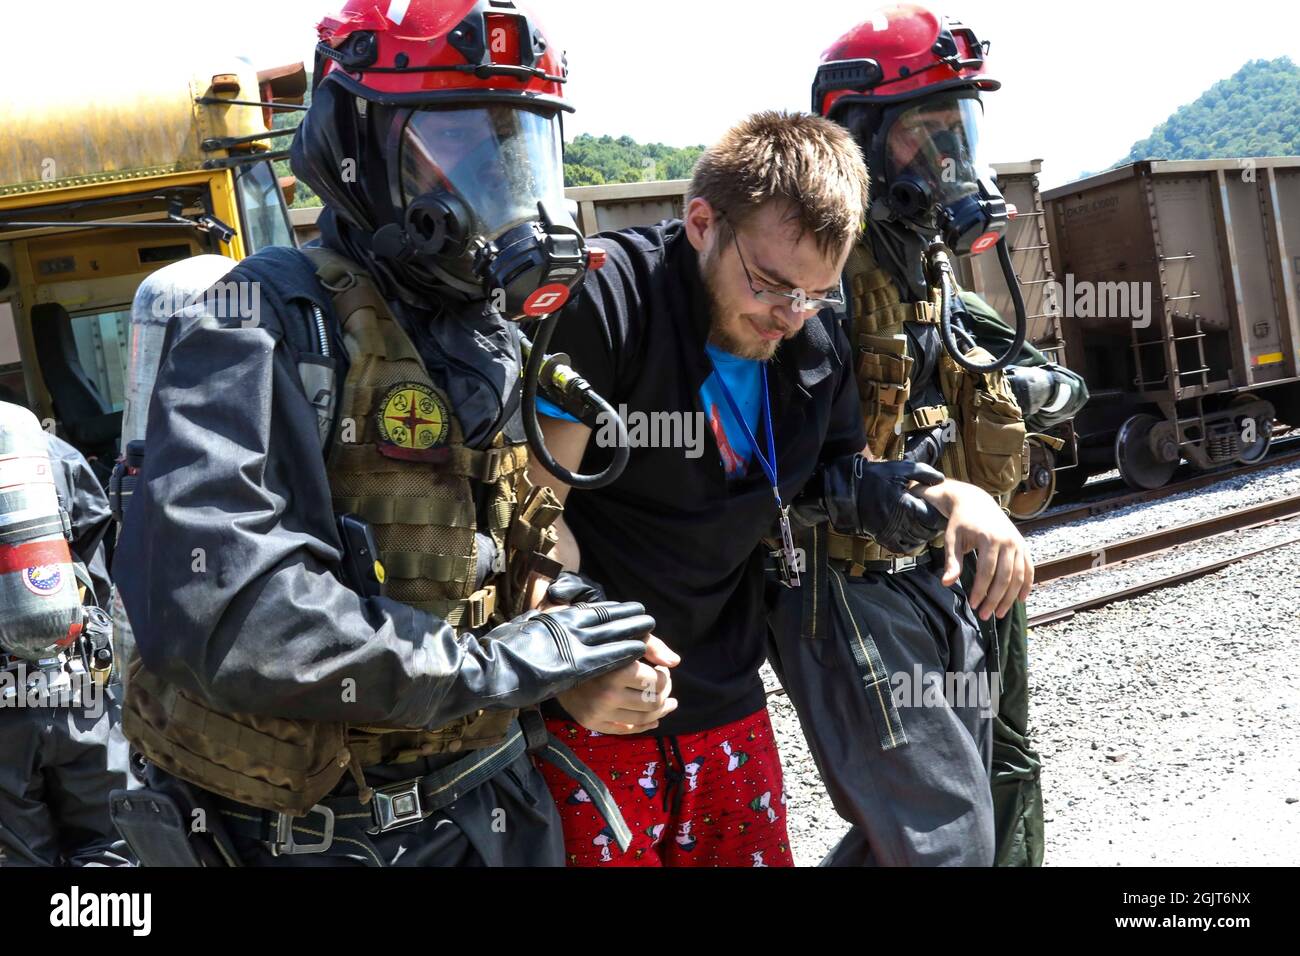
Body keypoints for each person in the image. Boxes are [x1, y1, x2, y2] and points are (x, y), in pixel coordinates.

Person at [108, 0, 657, 868]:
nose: (496, 191)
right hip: (315, 841)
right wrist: (506, 667)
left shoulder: (489, 341)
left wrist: (575, 647)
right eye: (459, 147)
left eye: (516, 150)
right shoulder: (261, 322)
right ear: (355, 147)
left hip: (493, 812)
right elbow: (232, 614)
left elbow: (481, 566)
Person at [526, 109, 1022, 867]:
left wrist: (950, 495)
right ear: (702, 222)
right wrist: (572, 653)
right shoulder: (606, 302)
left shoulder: (813, 332)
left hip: (724, 696)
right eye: (770, 285)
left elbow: (833, 475)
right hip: (589, 714)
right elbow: (530, 517)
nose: (789, 317)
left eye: (815, 294)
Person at [767, 3, 1083, 866]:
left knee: (964, 800)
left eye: (959, 128)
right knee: (945, 835)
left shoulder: (926, 264)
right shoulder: (816, 265)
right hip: (850, 570)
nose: (949, 159)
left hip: (939, 562)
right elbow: (781, 460)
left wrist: (1028, 389)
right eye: (923, 132)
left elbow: (1027, 373)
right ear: (857, 138)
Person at [0, 391, 132, 866]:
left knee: (22, 858)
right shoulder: (49, 451)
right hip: (81, 691)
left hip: (4, 718)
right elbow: (103, 560)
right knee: (112, 847)